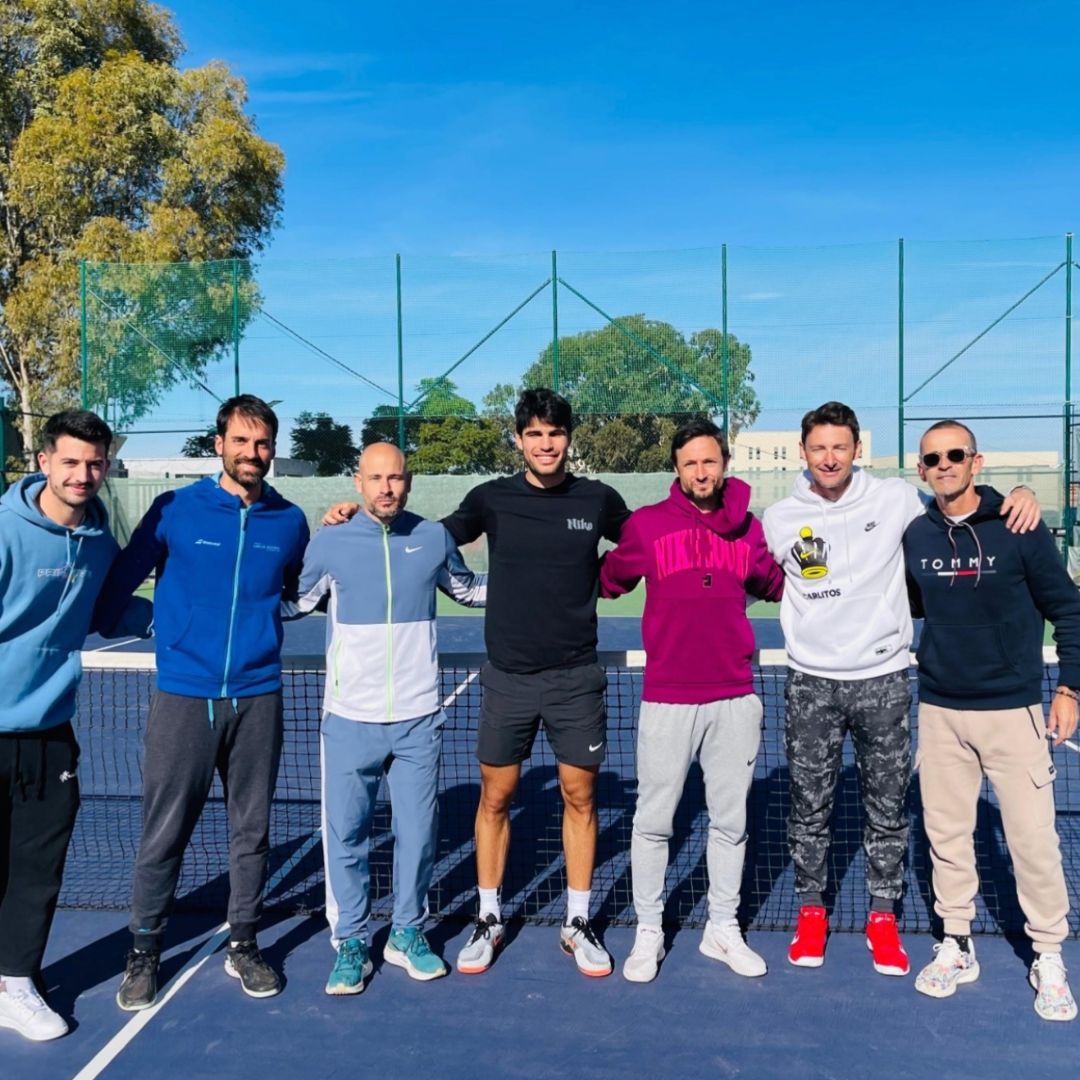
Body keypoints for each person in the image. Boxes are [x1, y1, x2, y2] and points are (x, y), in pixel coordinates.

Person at [762, 401, 1039, 974]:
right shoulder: (781, 517)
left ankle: (882, 916)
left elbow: (955, 499)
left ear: (858, 450)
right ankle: (811, 911)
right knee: (808, 806)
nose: (830, 457)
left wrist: (1013, 494)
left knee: (886, 808)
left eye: (841, 446)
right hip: (810, 682)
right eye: (819, 447)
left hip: (883, 681)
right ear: (803, 453)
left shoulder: (894, 501)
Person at [96, 395, 309, 1009]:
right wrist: (166, 624)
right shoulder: (175, 509)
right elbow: (115, 595)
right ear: (218, 444)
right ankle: (143, 953)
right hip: (183, 697)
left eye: (263, 443)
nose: (252, 453)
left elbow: (294, 594)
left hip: (258, 697)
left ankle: (244, 943)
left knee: (253, 831)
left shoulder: (288, 521)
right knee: (163, 833)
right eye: (240, 441)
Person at [446, 389, 630, 977]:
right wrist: (358, 514)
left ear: (568, 438)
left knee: (580, 798)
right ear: (520, 439)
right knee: (495, 798)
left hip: (576, 679)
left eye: (555, 433)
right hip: (508, 680)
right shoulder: (491, 499)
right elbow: (431, 539)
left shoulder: (598, 500)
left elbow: (651, 542)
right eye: (534, 434)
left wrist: (616, 581)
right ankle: (489, 916)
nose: (546, 444)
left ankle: (578, 923)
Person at [295, 442, 485, 994]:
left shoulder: (432, 537)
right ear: (358, 482)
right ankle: (351, 940)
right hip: (349, 719)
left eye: (396, 478)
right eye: (376, 478)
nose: (387, 488)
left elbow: (469, 590)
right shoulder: (329, 542)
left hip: (419, 717)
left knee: (419, 834)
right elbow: (295, 601)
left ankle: (406, 932)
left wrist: (543, 592)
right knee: (348, 835)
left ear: (409, 481)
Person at [903, 420, 1078, 1021]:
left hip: (1013, 710)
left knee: (1032, 842)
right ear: (922, 468)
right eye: (933, 458)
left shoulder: (1020, 526)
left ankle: (1049, 953)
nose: (945, 464)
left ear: (977, 462)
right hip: (940, 711)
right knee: (947, 838)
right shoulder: (914, 535)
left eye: (956, 454)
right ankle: (956, 943)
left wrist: (1070, 688)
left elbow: (1068, 609)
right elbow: (913, 603)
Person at [599, 420, 783, 983]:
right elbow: (607, 580)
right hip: (667, 698)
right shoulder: (648, 526)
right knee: (653, 821)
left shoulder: (751, 531)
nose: (701, 472)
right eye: (689, 464)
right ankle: (648, 929)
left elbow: (783, 585)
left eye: (710, 462)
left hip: (734, 696)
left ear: (724, 463)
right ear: (676, 470)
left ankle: (722, 928)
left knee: (730, 822)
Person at [0, 410, 144, 1041]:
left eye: (94, 464)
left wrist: (196, 612)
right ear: (43, 463)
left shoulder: (100, 542)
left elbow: (109, 614)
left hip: (51, 727)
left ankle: (15, 981)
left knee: (37, 864)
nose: (83, 475)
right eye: (70, 462)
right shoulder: (4, 531)